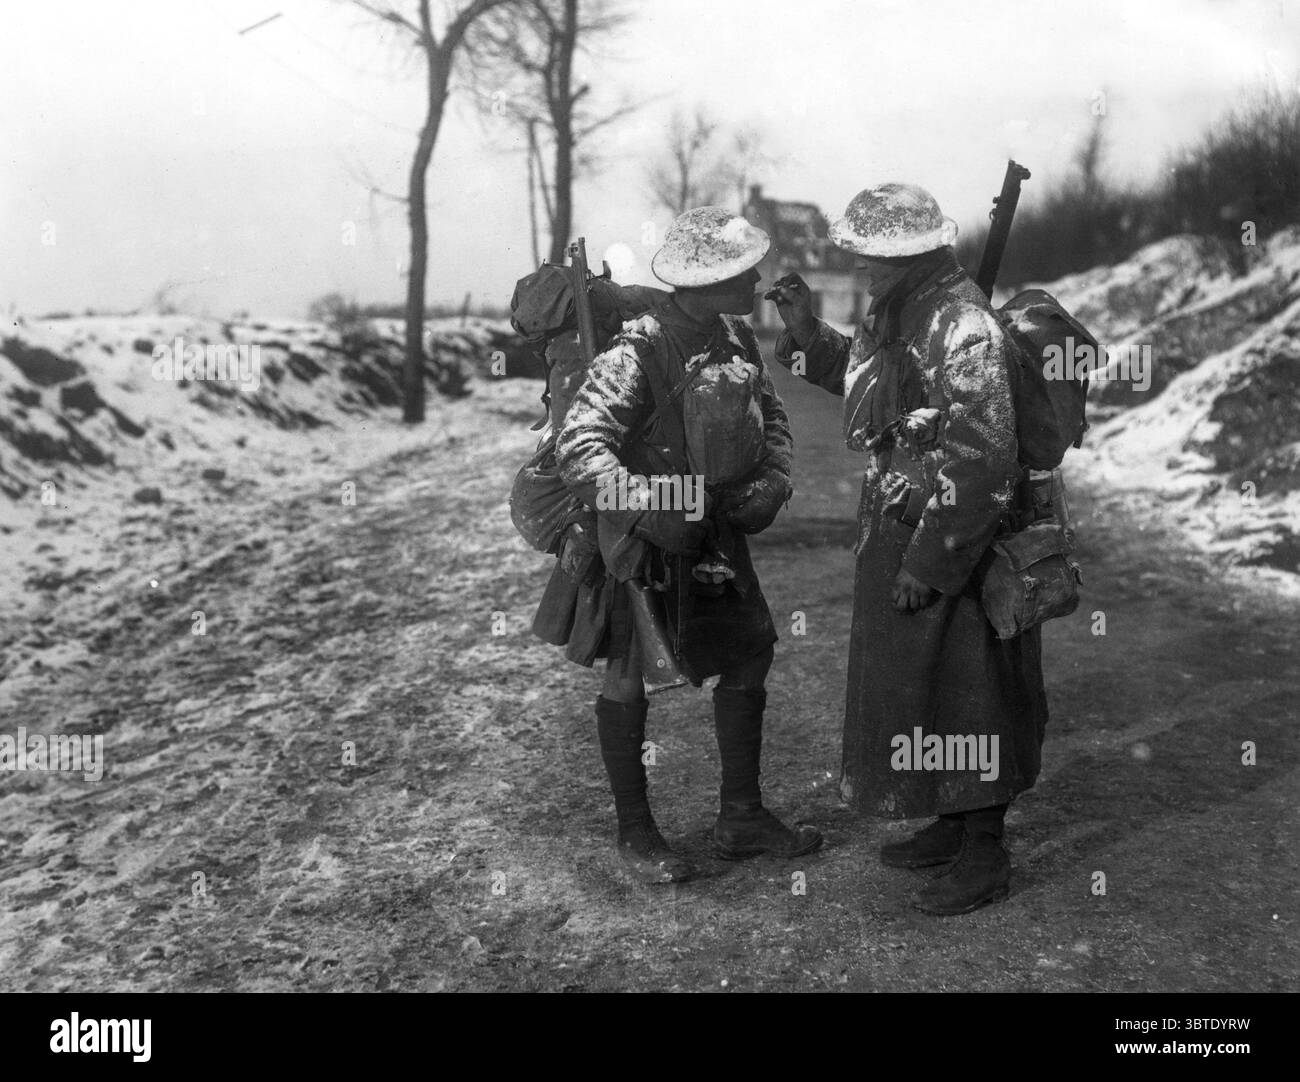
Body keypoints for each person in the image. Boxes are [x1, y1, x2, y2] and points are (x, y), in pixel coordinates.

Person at [768, 183, 1048, 915]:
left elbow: (984, 460)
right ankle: (952, 822)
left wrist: (930, 563)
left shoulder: (963, 323)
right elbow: (869, 392)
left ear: (910, 254)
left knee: (974, 687)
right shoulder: (901, 307)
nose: (859, 267)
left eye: (869, 257)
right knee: (926, 685)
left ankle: (985, 851)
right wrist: (807, 331)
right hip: (901, 522)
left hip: (956, 537)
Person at [551, 206, 823, 884]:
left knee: (751, 651)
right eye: (742, 271)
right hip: (642, 542)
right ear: (706, 280)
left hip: (717, 532)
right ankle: (637, 835)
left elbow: (774, 414)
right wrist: (650, 508)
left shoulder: (735, 338)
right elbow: (580, 449)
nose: (757, 279)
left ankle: (741, 818)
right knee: (628, 675)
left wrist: (774, 477)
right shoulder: (637, 349)